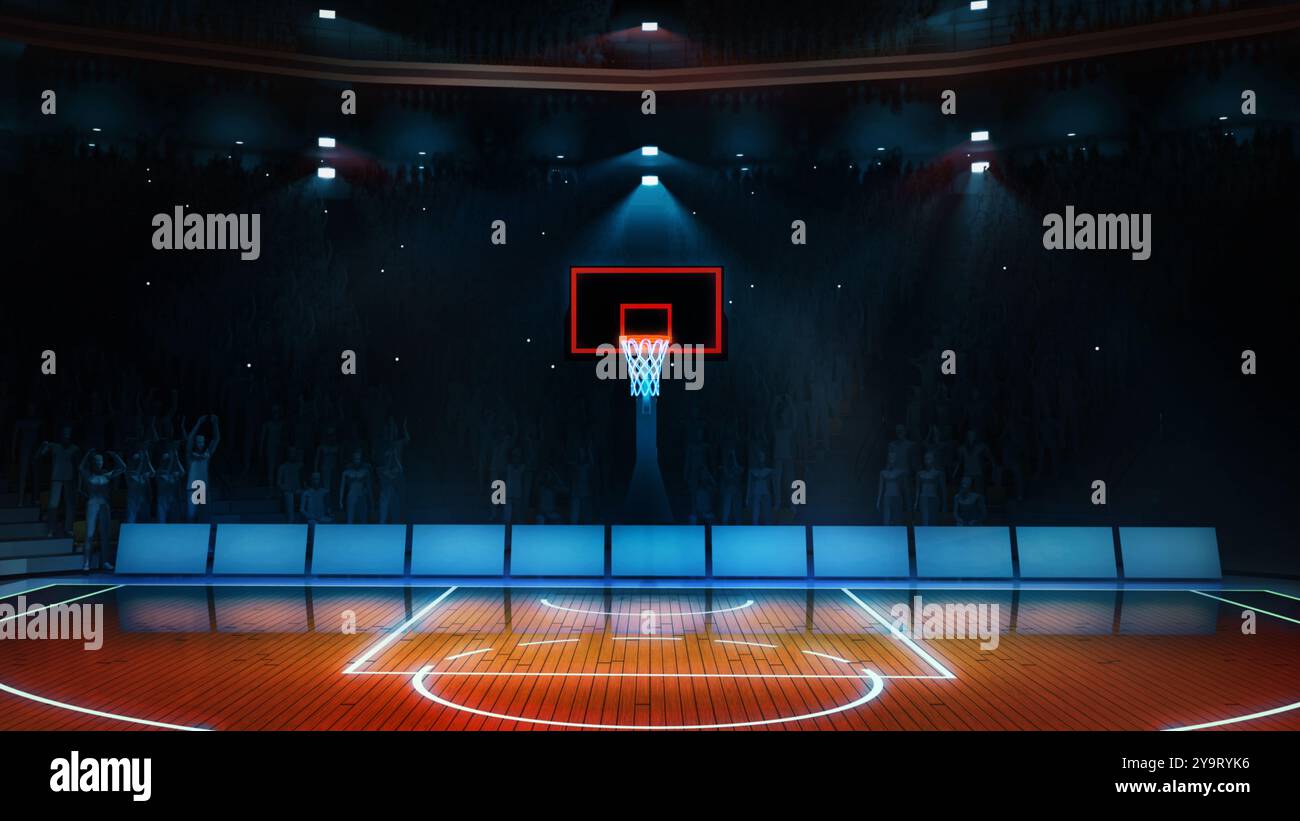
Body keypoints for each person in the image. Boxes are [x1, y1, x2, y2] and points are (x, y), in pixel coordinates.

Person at [79, 449, 125, 570]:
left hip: (105, 505)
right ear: (93, 462)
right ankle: (86, 563)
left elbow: (122, 468)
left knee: (105, 535)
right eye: (96, 460)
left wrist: (115, 455)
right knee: (89, 534)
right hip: (92, 505)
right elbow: (80, 467)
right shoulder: (89, 474)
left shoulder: (106, 475)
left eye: (101, 460)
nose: (99, 462)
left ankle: (105, 561)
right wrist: (87, 454)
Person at [37, 426, 80, 537]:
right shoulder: (54, 446)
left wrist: (78, 483)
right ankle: (51, 529)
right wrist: (43, 446)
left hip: (69, 478)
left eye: (68, 433)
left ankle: (69, 528)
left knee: (69, 504)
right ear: (60, 434)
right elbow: (40, 456)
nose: (66, 435)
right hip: (56, 478)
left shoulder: (74, 448)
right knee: (53, 504)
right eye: (65, 433)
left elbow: (78, 466)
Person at [184, 415, 220, 522]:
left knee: (203, 517)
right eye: (198, 441)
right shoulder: (190, 456)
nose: (200, 444)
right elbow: (190, 439)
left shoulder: (206, 455)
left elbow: (216, 439)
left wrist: (215, 424)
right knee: (191, 516)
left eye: (202, 442)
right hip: (193, 488)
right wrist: (198, 423)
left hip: (202, 487)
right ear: (195, 443)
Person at [876, 445, 909, 526]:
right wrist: (878, 501)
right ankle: (886, 534)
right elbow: (881, 488)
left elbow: (904, 488)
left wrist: (906, 501)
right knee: (887, 518)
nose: (892, 460)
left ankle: (898, 536)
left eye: (893, 458)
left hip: (897, 497)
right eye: (890, 458)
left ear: (896, 459)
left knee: (898, 518)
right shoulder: (883, 473)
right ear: (888, 459)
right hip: (887, 497)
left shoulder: (901, 472)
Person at [913, 449, 947, 526]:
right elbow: (918, 489)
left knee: (933, 520)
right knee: (924, 520)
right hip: (923, 498)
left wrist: (944, 504)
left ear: (933, 459)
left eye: (929, 458)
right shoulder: (920, 473)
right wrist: (916, 502)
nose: (927, 460)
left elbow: (943, 489)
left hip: (934, 498)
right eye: (925, 458)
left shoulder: (939, 473)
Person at [339, 449, 373, 524]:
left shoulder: (365, 471)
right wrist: (340, 500)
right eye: (355, 459)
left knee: (363, 518)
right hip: (351, 496)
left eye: (358, 459)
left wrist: (371, 500)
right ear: (352, 459)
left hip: (362, 495)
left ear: (361, 460)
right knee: (350, 518)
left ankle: (364, 534)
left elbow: (369, 486)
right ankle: (349, 533)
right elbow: (342, 487)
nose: (357, 461)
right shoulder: (346, 472)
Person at [123, 447, 155, 524]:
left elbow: (153, 473)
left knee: (145, 520)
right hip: (133, 499)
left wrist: (148, 460)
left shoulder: (144, 470)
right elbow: (136, 475)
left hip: (144, 499)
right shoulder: (128, 470)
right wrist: (142, 460)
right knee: (131, 519)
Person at [154, 445, 185, 523]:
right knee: (162, 521)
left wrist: (176, 458)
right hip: (162, 499)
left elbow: (183, 472)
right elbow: (165, 475)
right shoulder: (160, 471)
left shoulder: (175, 471)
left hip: (173, 499)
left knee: (174, 521)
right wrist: (172, 458)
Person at [276, 447, 304, 523]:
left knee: (308, 493)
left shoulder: (300, 466)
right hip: (288, 491)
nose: (292, 454)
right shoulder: (282, 467)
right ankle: (290, 521)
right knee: (288, 495)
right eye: (291, 452)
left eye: (294, 452)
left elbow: (304, 481)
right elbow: (278, 483)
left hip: (298, 490)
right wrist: (287, 488)